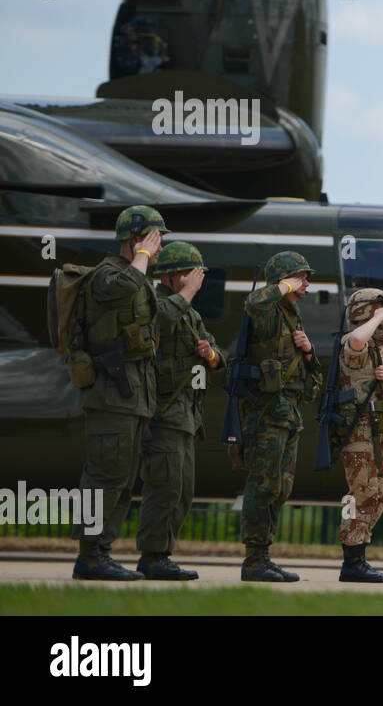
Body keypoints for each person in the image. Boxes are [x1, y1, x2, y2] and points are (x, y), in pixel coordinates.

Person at [71, 205, 168, 581]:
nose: (158, 249)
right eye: (154, 240)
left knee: (123, 478)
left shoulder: (136, 277)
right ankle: (89, 555)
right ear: (134, 240)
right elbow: (123, 287)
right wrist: (142, 255)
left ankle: (101, 552)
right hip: (110, 396)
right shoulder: (108, 275)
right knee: (104, 476)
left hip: (129, 397)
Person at [136, 240, 222, 581]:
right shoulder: (155, 303)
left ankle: (162, 554)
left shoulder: (191, 314)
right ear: (171, 278)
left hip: (186, 416)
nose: (194, 282)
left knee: (182, 491)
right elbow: (157, 324)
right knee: (165, 487)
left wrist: (211, 355)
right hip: (163, 413)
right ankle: (152, 556)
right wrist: (185, 293)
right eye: (188, 275)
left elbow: (218, 353)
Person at [234, 250, 323, 582]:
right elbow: (253, 302)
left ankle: (264, 555)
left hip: (288, 413)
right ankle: (253, 559)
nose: (307, 283)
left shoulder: (291, 315)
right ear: (284, 280)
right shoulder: (268, 308)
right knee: (264, 484)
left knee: (280, 487)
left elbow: (312, 377)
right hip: (266, 413)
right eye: (301, 277)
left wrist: (309, 351)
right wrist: (283, 287)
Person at [335, 288, 383, 582]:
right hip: (360, 429)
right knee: (359, 494)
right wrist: (379, 313)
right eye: (381, 311)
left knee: (377, 496)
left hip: (382, 431)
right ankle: (351, 558)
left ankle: (359, 555)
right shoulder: (354, 342)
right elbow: (356, 339)